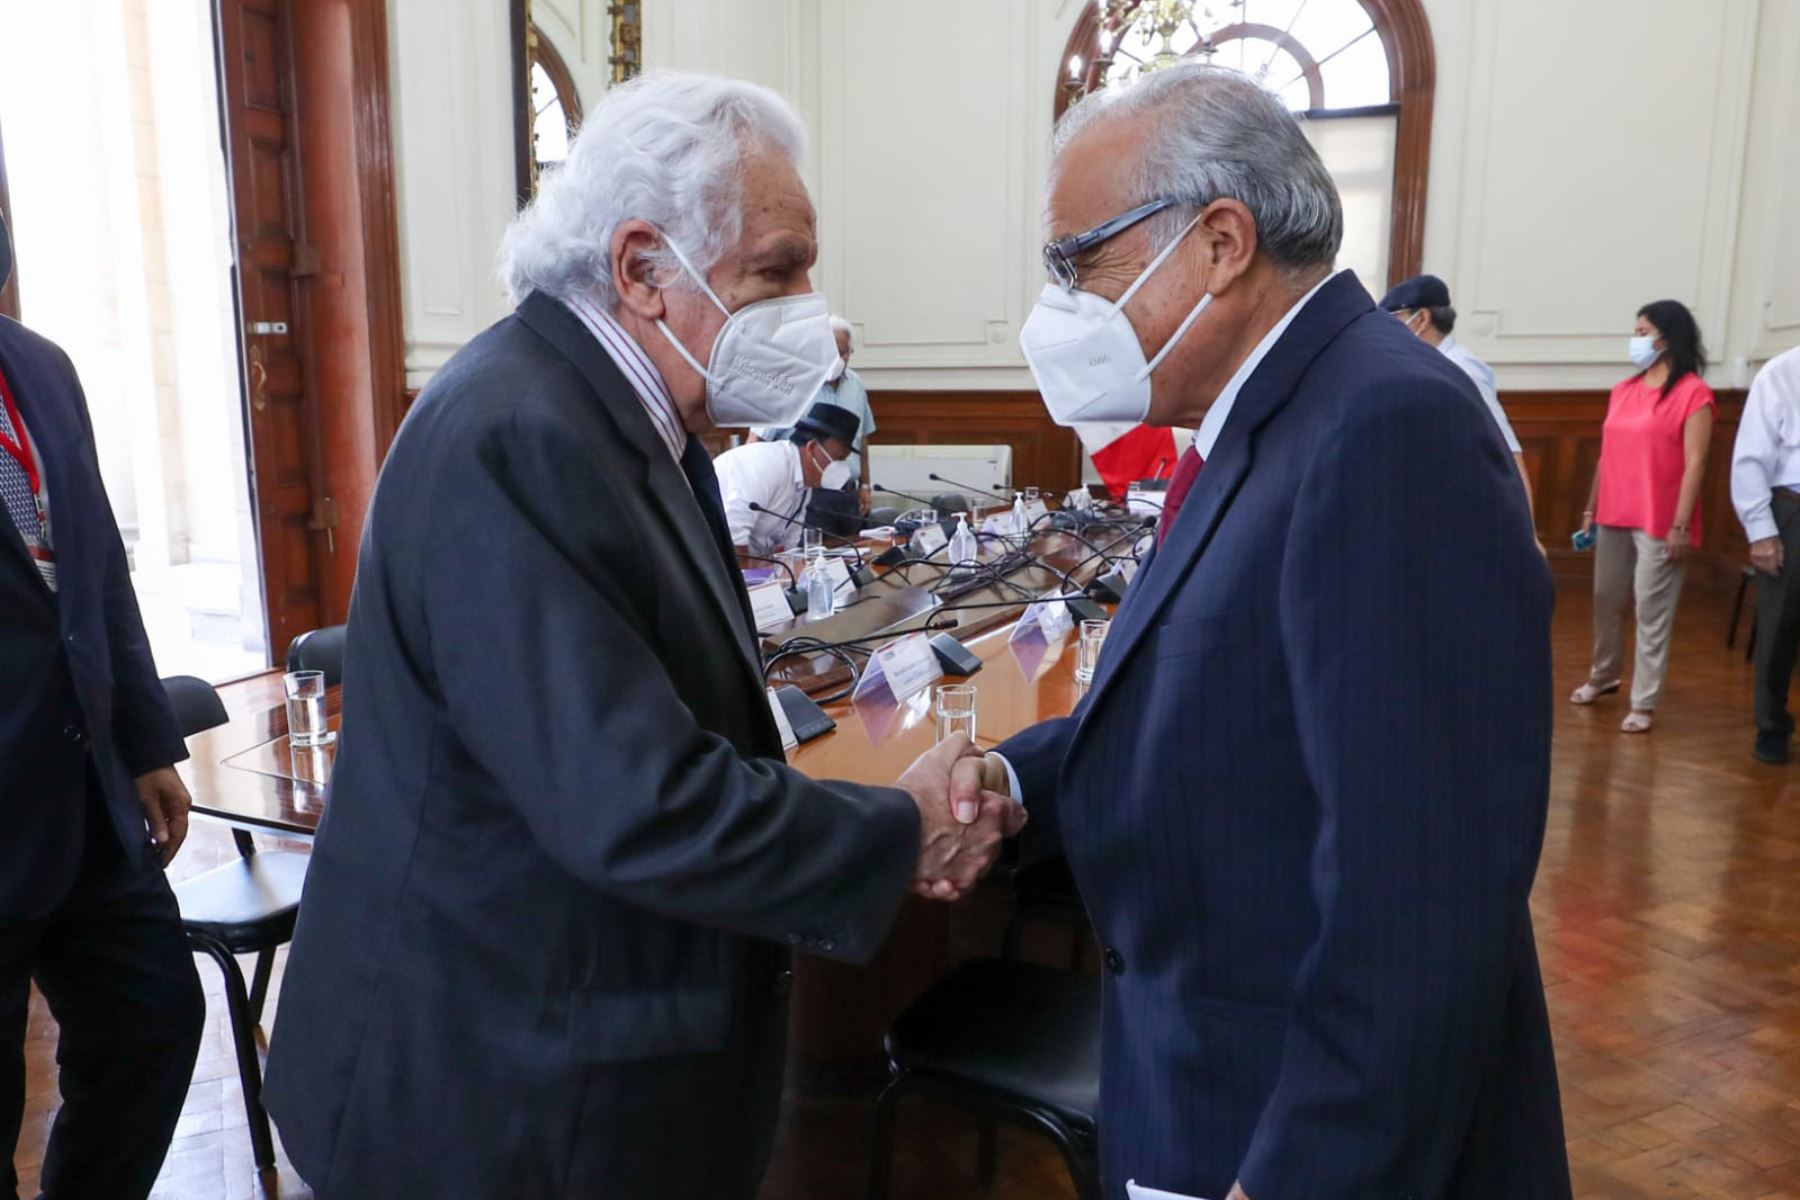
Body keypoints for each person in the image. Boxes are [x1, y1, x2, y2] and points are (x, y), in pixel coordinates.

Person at [260, 72, 1019, 1200]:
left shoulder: (616, 419)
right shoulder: (517, 435)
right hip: (500, 1100)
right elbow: (632, 800)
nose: (808, 306)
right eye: (777, 271)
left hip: (573, 1051)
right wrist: (898, 831)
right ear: (641, 269)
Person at [950, 64, 1567, 1199]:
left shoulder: (1388, 423)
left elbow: (1417, 899)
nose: (1061, 303)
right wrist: (1011, 777)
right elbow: (1214, 703)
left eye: (1078, 261)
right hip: (1207, 1077)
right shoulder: (1263, 419)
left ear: (1220, 243)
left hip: (1291, 1128)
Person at [0, 208, 204, 1200]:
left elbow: (96, 570)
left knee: (153, 1022)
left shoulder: (42, 367)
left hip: (84, 796)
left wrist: (143, 742)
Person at [1571, 300, 1715, 734]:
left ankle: (1644, 701)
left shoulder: (1693, 392)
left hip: (1661, 519)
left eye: (1643, 332)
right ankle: (1604, 675)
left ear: (1667, 338)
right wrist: (1591, 509)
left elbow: (1696, 462)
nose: (1635, 340)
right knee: (1606, 599)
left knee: (1652, 610)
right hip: (1614, 510)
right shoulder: (1623, 389)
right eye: (1635, 332)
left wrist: (1681, 524)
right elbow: (1607, 454)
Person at [1381, 273, 1539, 530]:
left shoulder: (1462, 369)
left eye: (1394, 319)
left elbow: (1509, 451)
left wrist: (1527, 532)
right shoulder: (1425, 364)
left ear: (1421, 319)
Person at [1730, 345, 1800, 763]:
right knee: (1778, 629)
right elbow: (1751, 458)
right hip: (1793, 512)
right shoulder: (1782, 372)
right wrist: (1761, 532)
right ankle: (1772, 727)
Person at [749, 316, 876, 511]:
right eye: (831, 351)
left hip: (848, 494)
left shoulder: (856, 385)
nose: (837, 358)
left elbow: (862, 438)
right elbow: (756, 442)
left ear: (850, 352)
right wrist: (758, 489)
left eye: (843, 352)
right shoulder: (788, 384)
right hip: (803, 494)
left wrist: (865, 485)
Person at [714, 399, 859, 559]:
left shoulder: (804, 485)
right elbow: (733, 540)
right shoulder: (768, 465)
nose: (842, 467)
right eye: (838, 458)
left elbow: (789, 549)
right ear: (811, 448)